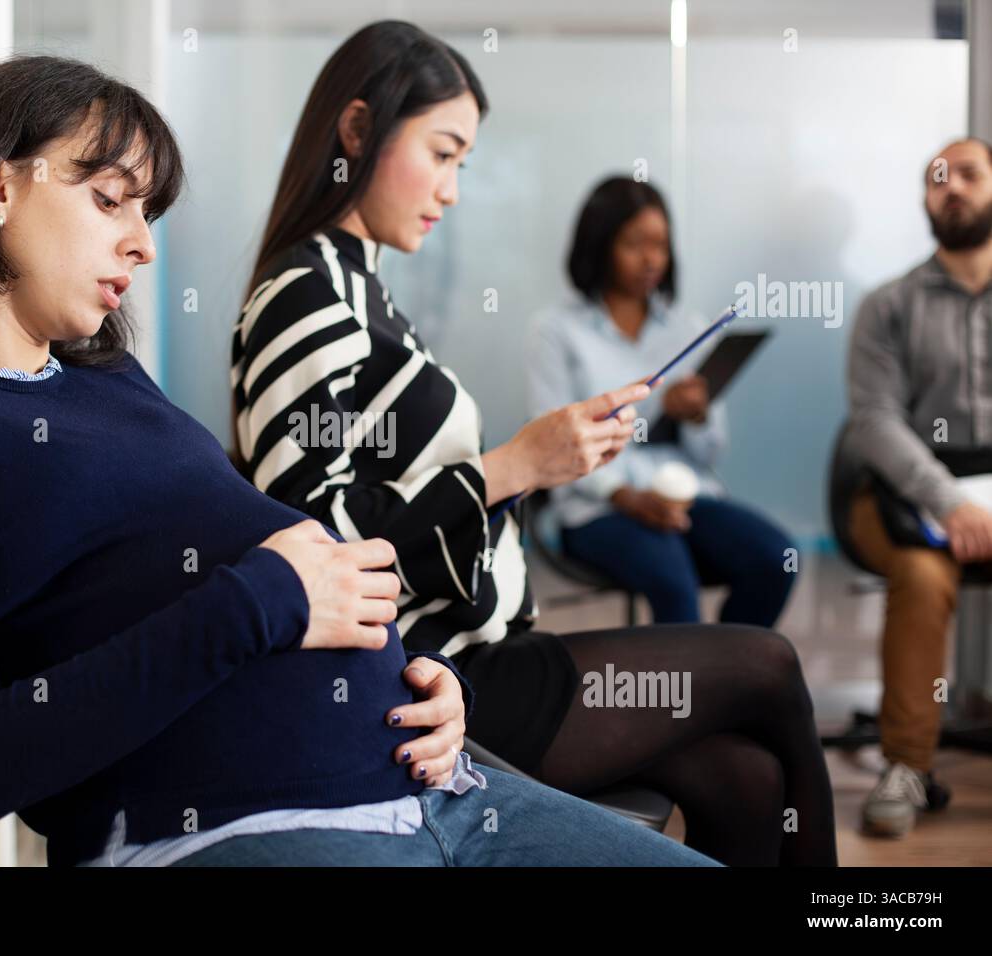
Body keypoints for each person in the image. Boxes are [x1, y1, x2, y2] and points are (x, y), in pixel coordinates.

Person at [0, 54, 715, 868]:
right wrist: (268, 598)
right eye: (108, 199)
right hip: (226, 828)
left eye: (148, 211)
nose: (143, 243)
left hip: (445, 794)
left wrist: (427, 691)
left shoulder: (116, 385)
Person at [232, 20, 836, 866]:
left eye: (463, 165)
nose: (450, 188)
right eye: (441, 153)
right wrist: (514, 465)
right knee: (767, 666)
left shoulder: (359, 290)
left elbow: (403, 494)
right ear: (358, 130)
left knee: (744, 780)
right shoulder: (307, 295)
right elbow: (312, 540)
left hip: (479, 654)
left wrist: (542, 459)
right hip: (435, 681)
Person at [527, 176, 796, 627]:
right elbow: (552, 445)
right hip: (597, 506)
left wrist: (696, 417)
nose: (652, 259)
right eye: (635, 244)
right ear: (599, 244)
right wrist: (624, 495)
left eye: (661, 245)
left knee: (777, 558)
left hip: (685, 498)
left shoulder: (686, 328)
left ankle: (733, 678)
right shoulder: (555, 331)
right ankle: (684, 696)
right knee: (673, 581)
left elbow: (711, 453)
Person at [844, 137, 992, 838]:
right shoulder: (889, 304)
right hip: (905, 500)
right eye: (938, 179)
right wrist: (950, 501)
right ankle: (906, 762)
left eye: (968, 174)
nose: (952, 188)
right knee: (924, 574)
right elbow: (874, 420)